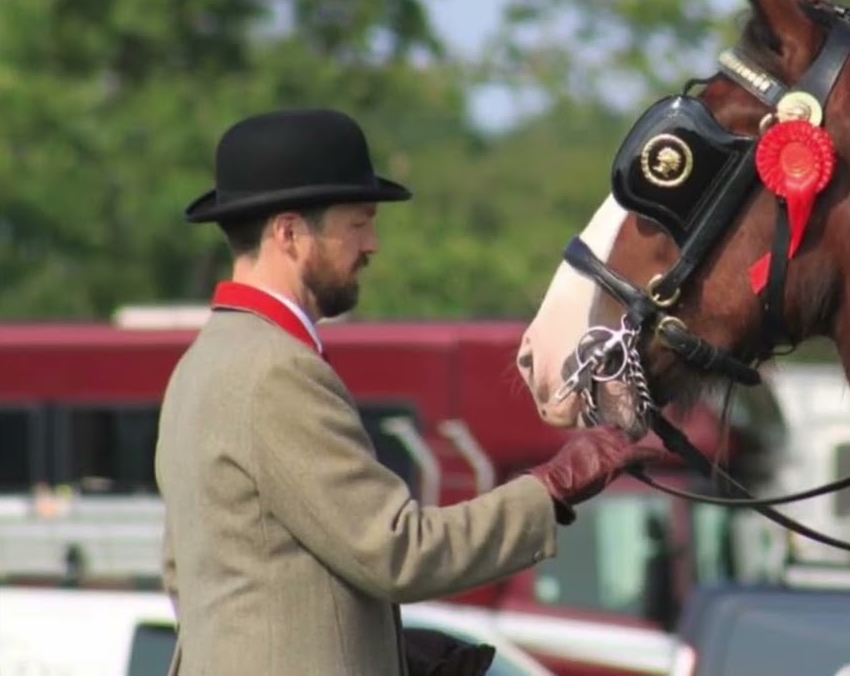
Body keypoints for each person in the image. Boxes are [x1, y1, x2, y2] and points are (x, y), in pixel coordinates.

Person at [155, 108, 666, 676]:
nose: (372, 244)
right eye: (359, 222)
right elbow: (398, 552)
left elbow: (200, 578)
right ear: (290, 232)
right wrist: (552, 488)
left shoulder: (200, 367)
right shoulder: (277, 371)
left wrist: (379, 656)